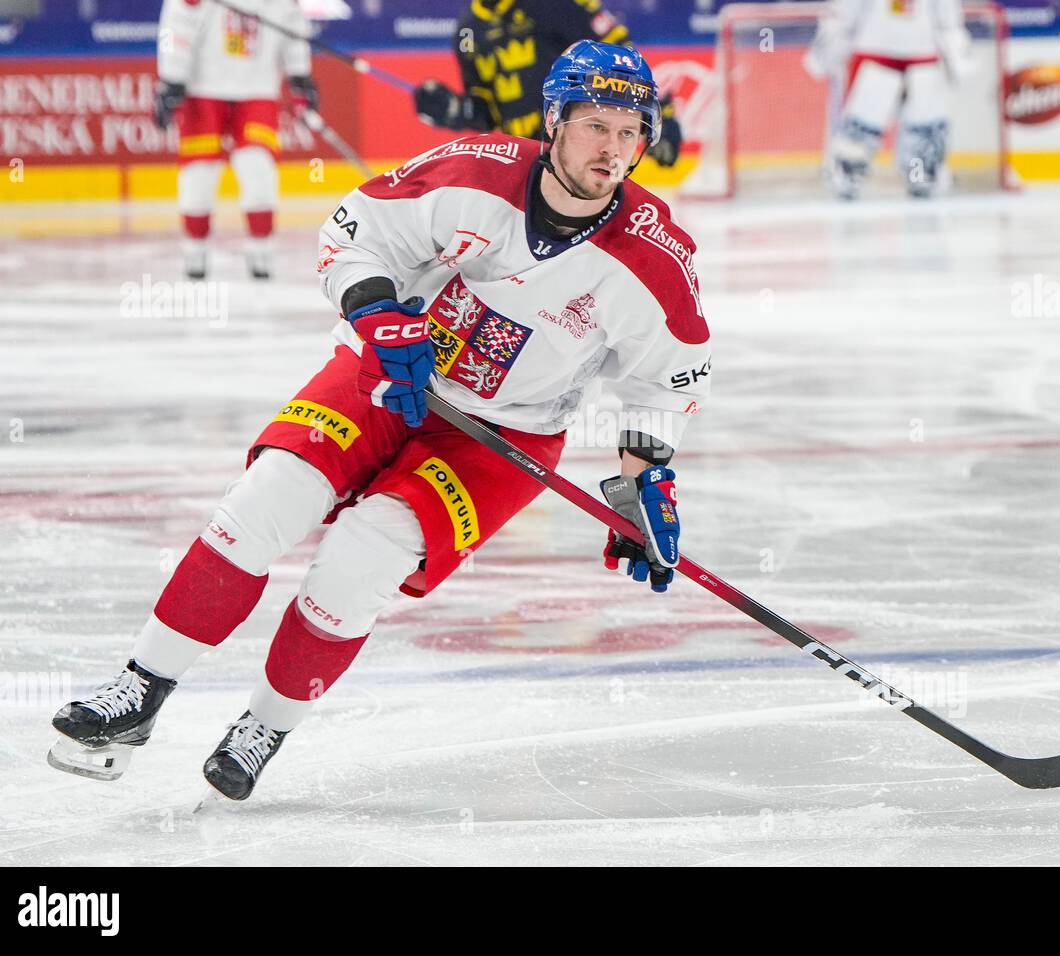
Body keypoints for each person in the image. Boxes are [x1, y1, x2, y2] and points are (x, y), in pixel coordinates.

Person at [48, 41, 711, 801]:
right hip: (392, 374)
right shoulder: (473, 169)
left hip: (505, 439)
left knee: (361, 563)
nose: (616, 149)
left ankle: (265, 724)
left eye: (632, 131)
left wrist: (641, 482)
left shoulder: (657, 254)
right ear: (554, 121)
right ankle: (140, 689)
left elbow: (671, 377)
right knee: (267, 501)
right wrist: (378, 314)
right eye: (598, 125)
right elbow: (352, 231)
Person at [154, 0, 319, 279]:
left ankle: (261, 250)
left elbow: (292, 27)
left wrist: (300, 75)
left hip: (258, 89)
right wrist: (172, 78)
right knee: (199, 171)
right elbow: (176, 27)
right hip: (202, 90)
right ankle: (195, 251)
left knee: (258, 167)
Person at [412, 0, 682, 168]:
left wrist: (658, 121)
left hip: (579, 147)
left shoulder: (557, 5)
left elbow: (623, 59)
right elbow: (487, 110)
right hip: (525, 160)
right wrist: (454, 109)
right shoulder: (467, 30)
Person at [804, 0, 971, 199]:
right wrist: (831, 48)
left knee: (923, 126)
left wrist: (956, 52)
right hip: (875, 51)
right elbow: (845, 14)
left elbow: (948, 17)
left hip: (921, 53)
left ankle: (920, 174)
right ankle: (847, 172)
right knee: (862, 125)